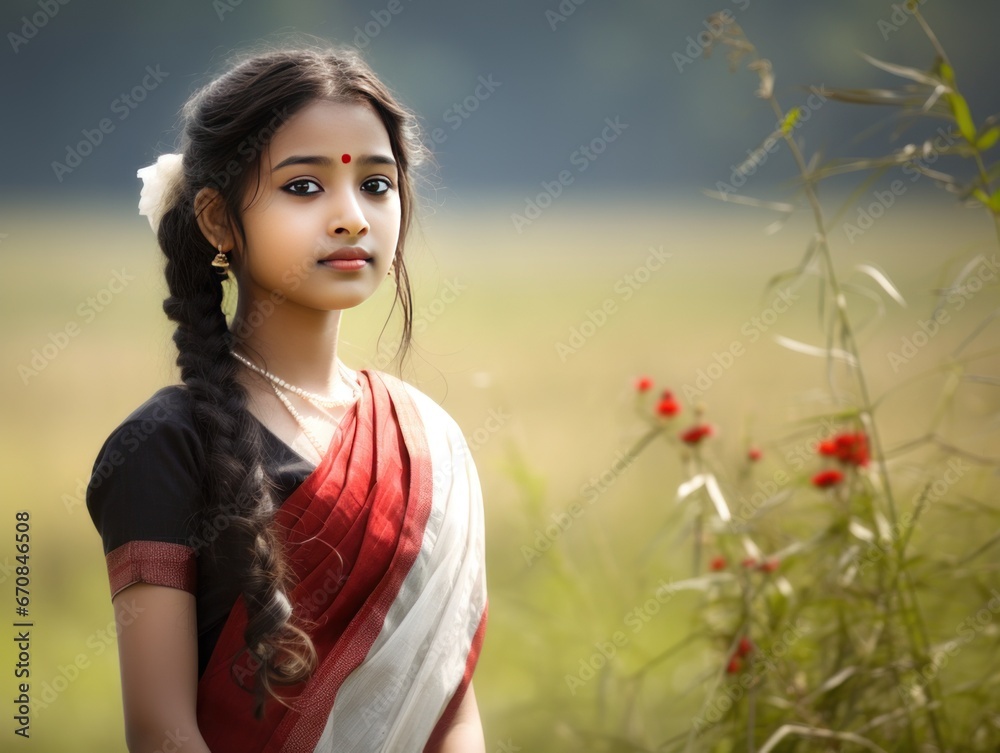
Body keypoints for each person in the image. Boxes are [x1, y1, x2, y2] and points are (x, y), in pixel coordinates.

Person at [85, 45, 488, 753]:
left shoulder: (428, 438)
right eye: (304, 187)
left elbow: (451, 709)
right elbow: (161, 733)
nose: (351, 217)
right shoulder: (166, 445)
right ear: (217, 221)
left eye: (376, 184)